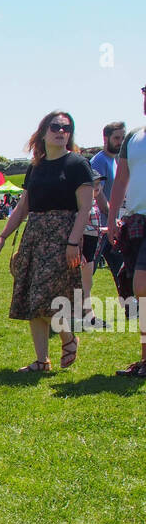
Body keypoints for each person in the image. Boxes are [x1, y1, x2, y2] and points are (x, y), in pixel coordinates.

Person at [0, 111, 92, 372]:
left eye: (67, 128)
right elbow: (23, 206)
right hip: (34, 235)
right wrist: (2, 235)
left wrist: (73, 243)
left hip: (61, 236)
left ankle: (68, 338)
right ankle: (41, 361)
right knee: (30, 298)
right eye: (56, 126)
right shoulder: (35, 166)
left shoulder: (77, 164)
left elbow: (84, 209)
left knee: (43, 297)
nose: (62, 131)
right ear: (44, 131)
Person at [106, 84, 146, 377]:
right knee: (139, 289)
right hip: (137, 221)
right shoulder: (133, 137)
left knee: (143, 287)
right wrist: (110, 220)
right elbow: (120, 182)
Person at [90, 120, 130, 306]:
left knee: (121, 267)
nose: (120, 142)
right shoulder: (99, 161)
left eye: (123, 138)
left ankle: (131, 306)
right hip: (99, 227)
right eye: (116, 138)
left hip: (110, 226)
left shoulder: (115, 160)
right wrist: (112, 218)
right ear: (105, 138)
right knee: (88, 270)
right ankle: (74, 310)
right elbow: (97, 194)